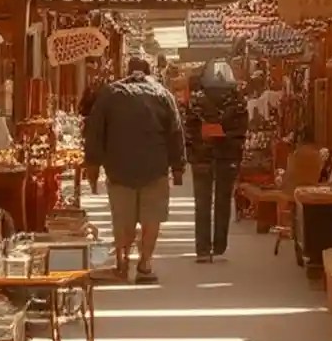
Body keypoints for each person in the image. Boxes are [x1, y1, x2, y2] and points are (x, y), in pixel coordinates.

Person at [84, 56, 185, 284]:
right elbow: (175, 133)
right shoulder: (163, 94)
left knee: (122, 219)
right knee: (152, 219)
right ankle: (145, 264)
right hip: (155, 168)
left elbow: (95, 132)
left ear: (127, 71)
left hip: (119, 168)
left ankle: (122, 263)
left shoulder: (110, 94)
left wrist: (92, 167)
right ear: (149, 73)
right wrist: (178, 167)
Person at [184, 60, 247, 263]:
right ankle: (219, 246)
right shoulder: (238, 102)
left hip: (202, 158)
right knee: (222, 201)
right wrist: (225, 137)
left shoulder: (197, 101)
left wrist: (197, 146)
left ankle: (203, 249)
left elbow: (189, 131)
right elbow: (241, 131)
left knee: (202, 203)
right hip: (227, 157)